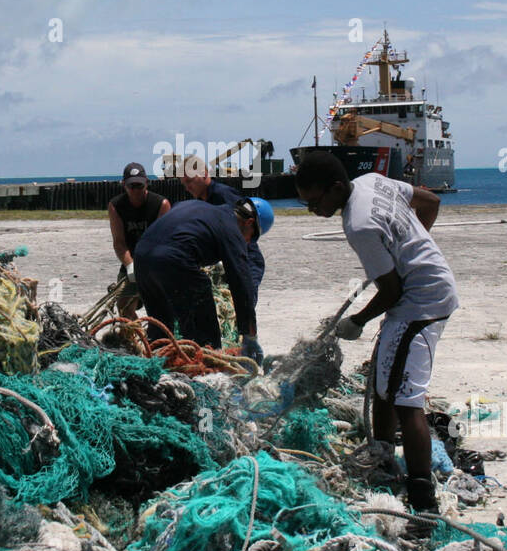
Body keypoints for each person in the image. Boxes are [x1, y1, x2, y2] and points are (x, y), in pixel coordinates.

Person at [295, 152, 458, 520]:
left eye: (315, 202)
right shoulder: (374, 181)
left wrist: (358, 320)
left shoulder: (359, 225)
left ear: (336, 189)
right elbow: (431, 202)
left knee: (405, 399)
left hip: (422, 302)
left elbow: (391, 292)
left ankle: (422, 498)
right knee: (383, 375)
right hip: (423, 290)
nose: (312, 210)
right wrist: (410, 246)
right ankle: (382, 453)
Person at [133, 197, 264, 364]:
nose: (247, 242)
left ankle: (157, 365)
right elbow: (241, 283)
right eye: (251, 238)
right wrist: (249, 336)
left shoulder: (200, 207)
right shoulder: (232, 228)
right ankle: (204, 369)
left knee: (161, 325)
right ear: (249, 222)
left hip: (141, 256)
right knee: (202, 328)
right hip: (172, 258)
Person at [180, 155, 269, 303]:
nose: (187, 187)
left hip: (246, 258)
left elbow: (243, 229)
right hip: (227, 259)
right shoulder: (201, 201)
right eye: (184, 184)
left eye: (189, 181)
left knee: (244, 307)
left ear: (204, 174)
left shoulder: (223, 195)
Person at [107, 162, 170, 319]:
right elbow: (119, 242)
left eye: (139, 186)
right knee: (123, 307)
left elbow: (163, 242)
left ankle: (160, 339)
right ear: (124, 185)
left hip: (156, 262)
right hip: (130, 261)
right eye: (131, 186)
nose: (135, 190)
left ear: (146, 183)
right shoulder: (116, 206)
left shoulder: (161, 204)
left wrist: (150, 266)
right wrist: (130, 265)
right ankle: (137, 339)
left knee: (160, 308)